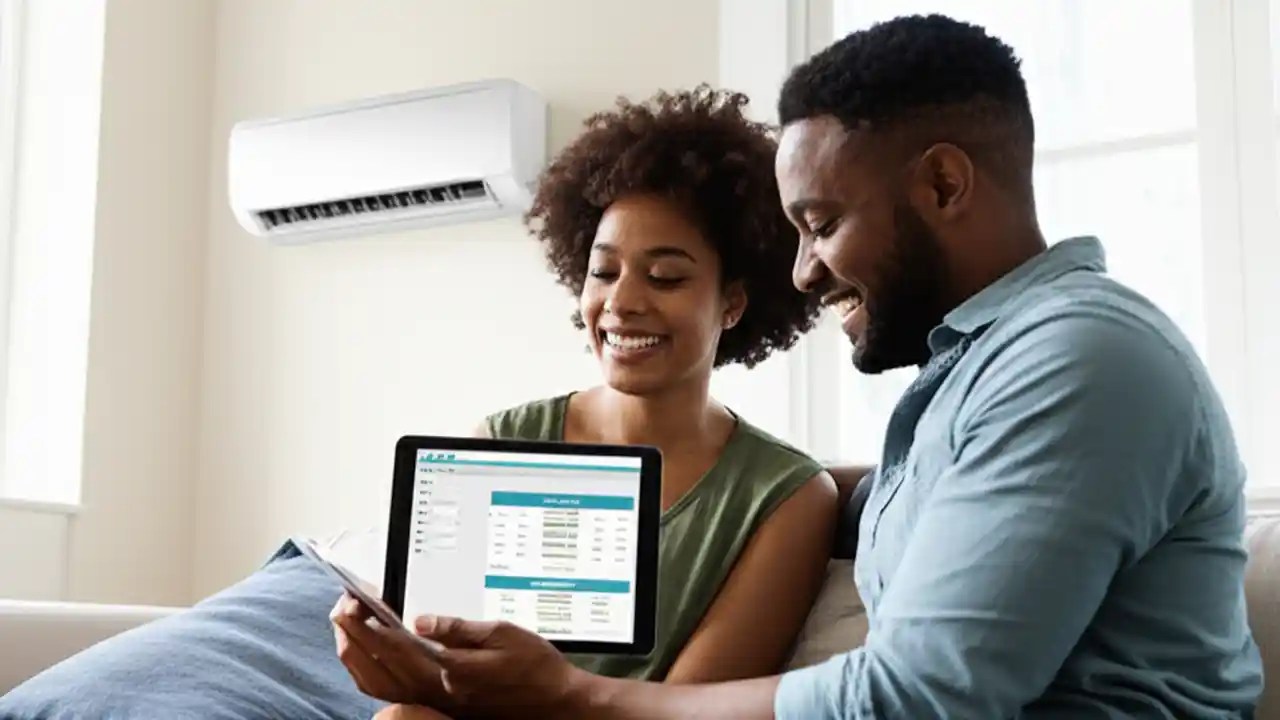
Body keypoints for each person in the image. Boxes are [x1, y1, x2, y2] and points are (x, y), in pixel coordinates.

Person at [332, 14, 1264, 719]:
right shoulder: (986, 372)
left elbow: (916, 697)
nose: (804, 269)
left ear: (943, 186)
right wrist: (773, 480)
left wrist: (583, 696)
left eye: (820, 224)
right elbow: (937, 501)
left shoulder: (1077, 362)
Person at [334, 85, 842, 709]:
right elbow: (442, 668)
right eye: (603, 271)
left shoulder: (785, 499)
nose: (621, 302)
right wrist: (400, 664)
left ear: (733, 301)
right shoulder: (501, 442)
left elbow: (689, 709)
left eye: (665, 277)